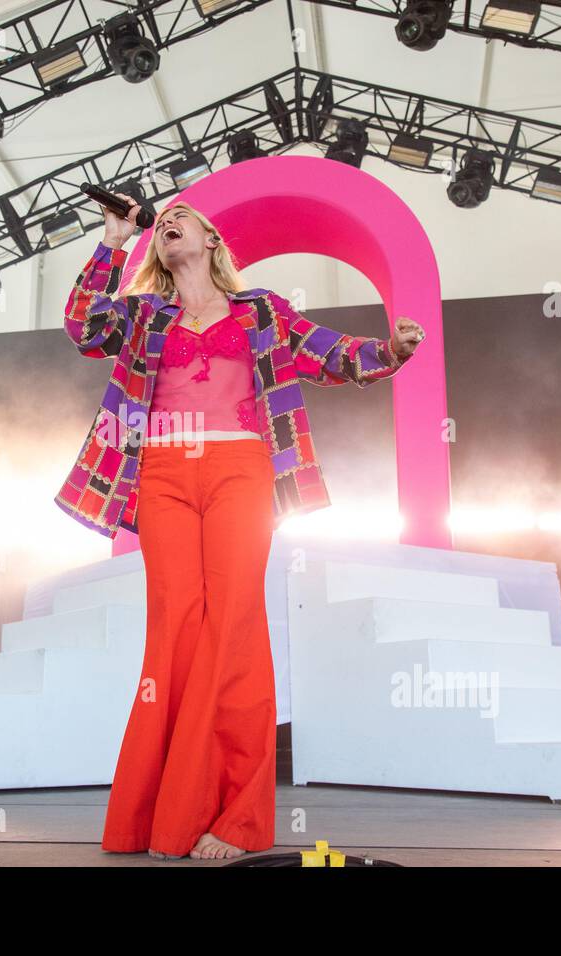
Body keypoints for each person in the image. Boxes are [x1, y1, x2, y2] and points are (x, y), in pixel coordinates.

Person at [58, 193, 424, 861]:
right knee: (174, 624)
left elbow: (329, 352)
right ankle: (159, 811)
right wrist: (113, 243)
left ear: (209, 238)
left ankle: (236, 817)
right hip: (162, 471)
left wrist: (389, 352)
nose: (167, 224)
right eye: (159, 223)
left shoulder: (260, 310)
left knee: (234, 621)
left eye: (180, 219)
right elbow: (83, 327)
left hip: (240, 467)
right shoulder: (143, 313)